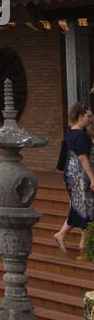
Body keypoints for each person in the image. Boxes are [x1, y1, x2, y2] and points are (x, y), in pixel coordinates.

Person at [54, 103, 94, 252]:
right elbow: (83, 158)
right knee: (85, 206)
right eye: (89, 116)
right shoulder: (79, 135)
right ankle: (81, 242)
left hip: (72, 174)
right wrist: (93, 178)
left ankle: (64, 235)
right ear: (80, 117)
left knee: (82, 206)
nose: (91, 119)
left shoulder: (72, 131)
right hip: (80, 176)